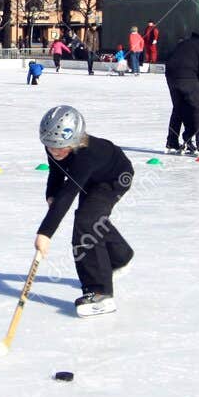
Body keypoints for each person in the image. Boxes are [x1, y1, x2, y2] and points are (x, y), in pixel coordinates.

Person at [35, 105, 134, 318]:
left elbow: (68, 194)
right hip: (92, 177)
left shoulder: (86, 155)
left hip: (115, 178)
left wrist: (45, 232)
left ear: (75, 139)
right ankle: (120, 256)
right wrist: (51, 193)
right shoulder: (54, 144)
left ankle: (100, 293)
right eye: (50, 146)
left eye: (60, 147)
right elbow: (56, 171)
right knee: (91, 219)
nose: (54, 151)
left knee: (86, 221)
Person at [164, 23, 199, 154]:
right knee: (198, 110)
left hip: (171, 77)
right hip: (188, 78)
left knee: (178, 110)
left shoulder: (184, 43)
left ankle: (172, 142)